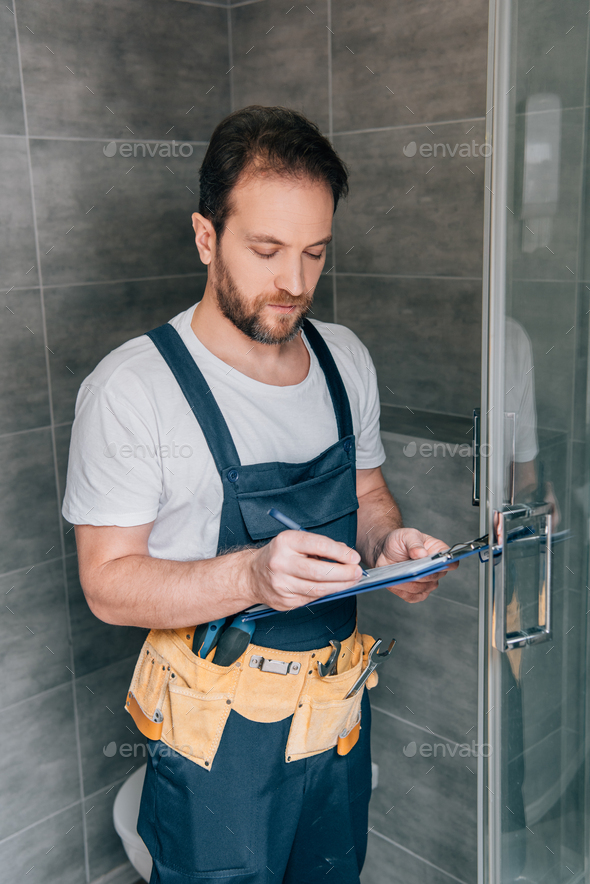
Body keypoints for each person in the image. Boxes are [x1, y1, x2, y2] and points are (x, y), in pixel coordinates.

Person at [62, 105, 458, 884]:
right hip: (216, 739)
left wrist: (391, 548)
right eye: (267, 250)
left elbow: (368, 492)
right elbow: (108, 584)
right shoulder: (132, 390)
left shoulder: (344, 358)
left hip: (337, 715)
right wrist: (251, 577)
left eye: (315, 253)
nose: (294, 283)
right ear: (207, 237)